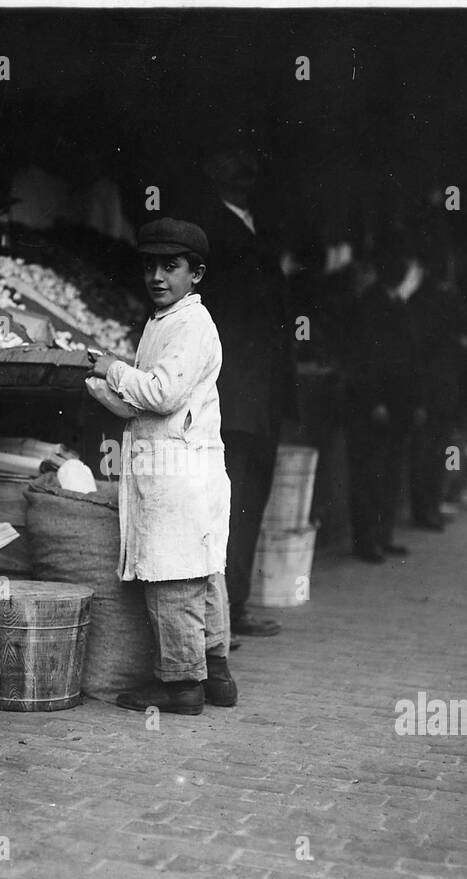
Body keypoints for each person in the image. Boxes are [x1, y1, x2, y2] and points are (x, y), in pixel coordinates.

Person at [87, 218, 236, 714]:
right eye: (150, 265)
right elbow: (144, 402)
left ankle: (180, 686)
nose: (157, 276)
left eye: (170, 267)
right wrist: (104, 390)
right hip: (182, 465)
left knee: (173, 575)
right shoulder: (164, 321)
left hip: (180, 471)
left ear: (196, 274)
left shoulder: (192, 324)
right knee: (205, 571)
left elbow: (163, 392)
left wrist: (114, 369)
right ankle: (215, 675)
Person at [187, 136, 297, 637]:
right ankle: (221, 616)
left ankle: (236, 606)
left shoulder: (256, 227)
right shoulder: (210, 229)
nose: (246, 166)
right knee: (230, 503)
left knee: (251, 501)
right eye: (233, 156)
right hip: (234, 392)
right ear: (213, 168)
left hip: (263, 392)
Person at [344, 230, 424, 561]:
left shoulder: (399, 304)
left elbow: (411, 360)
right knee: (368, 476)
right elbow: (364, 360)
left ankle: (384, 534)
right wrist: (373, 401)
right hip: (372, 407)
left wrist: (416, 402)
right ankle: (367, 541)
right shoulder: (369, 304)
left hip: (399, 405)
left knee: (391, 474)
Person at [408, 235, 467, 531]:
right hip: (438, 390)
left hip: (437, 390)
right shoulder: (440, 301)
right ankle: (427, 508)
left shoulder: (423, 299)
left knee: (430, 454)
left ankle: (427, 507)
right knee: (432, 454)